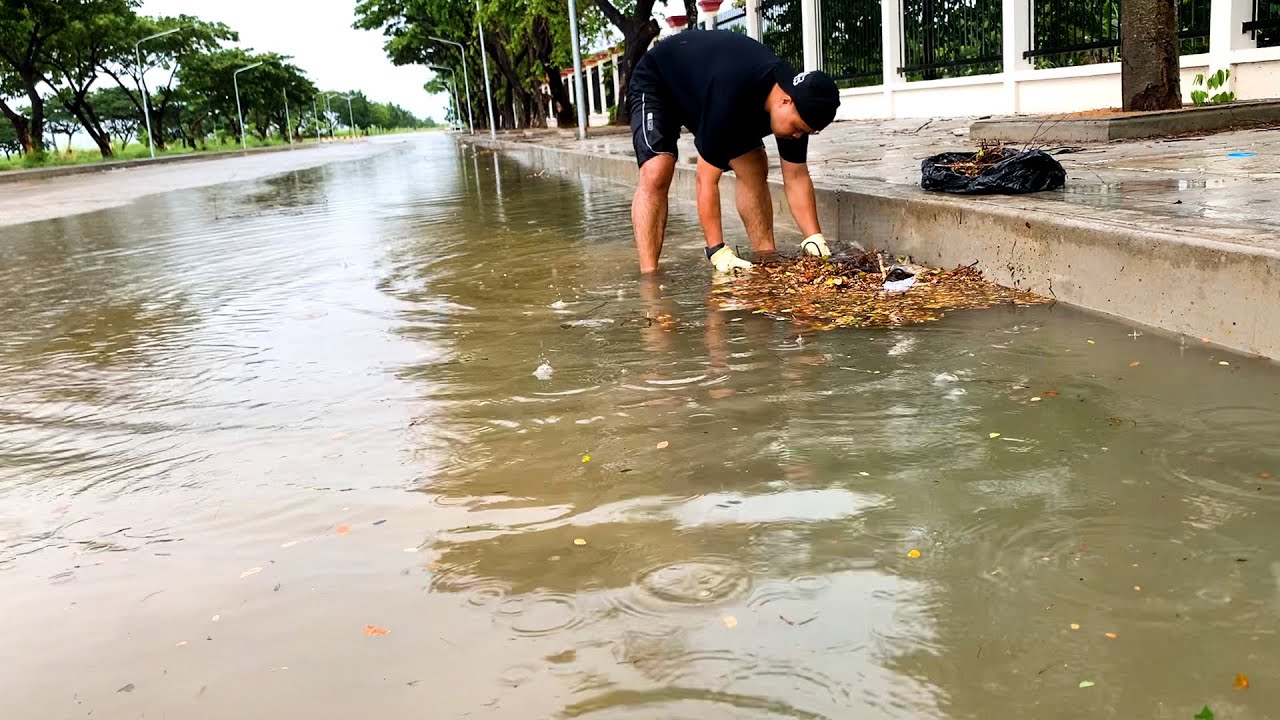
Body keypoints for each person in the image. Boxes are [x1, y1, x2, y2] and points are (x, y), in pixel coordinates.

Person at [627, 30, 841, 274]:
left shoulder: (800, 105)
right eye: (797, 128)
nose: (797, 135)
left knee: (753, 166)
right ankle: (650, 279)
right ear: (785, 101)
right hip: (659, 82)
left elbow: (796, 176)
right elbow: (705, 180)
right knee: (657, 170)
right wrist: (717, 249)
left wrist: (814, 237)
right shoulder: (731, 94)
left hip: (703, 90)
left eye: (805, 132)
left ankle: (766, 261)